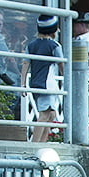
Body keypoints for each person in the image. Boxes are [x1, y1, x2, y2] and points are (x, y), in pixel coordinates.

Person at [21, 15, 63, 143]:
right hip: (48, 84)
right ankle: (35, 144)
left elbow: (26, 63)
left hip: (36, 83)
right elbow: (62, 65)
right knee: (44, 115)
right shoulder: (54, 45)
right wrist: (68, 81)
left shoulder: (32, 45)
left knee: (51, 114)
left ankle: (42, 142)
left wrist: (23, 83)